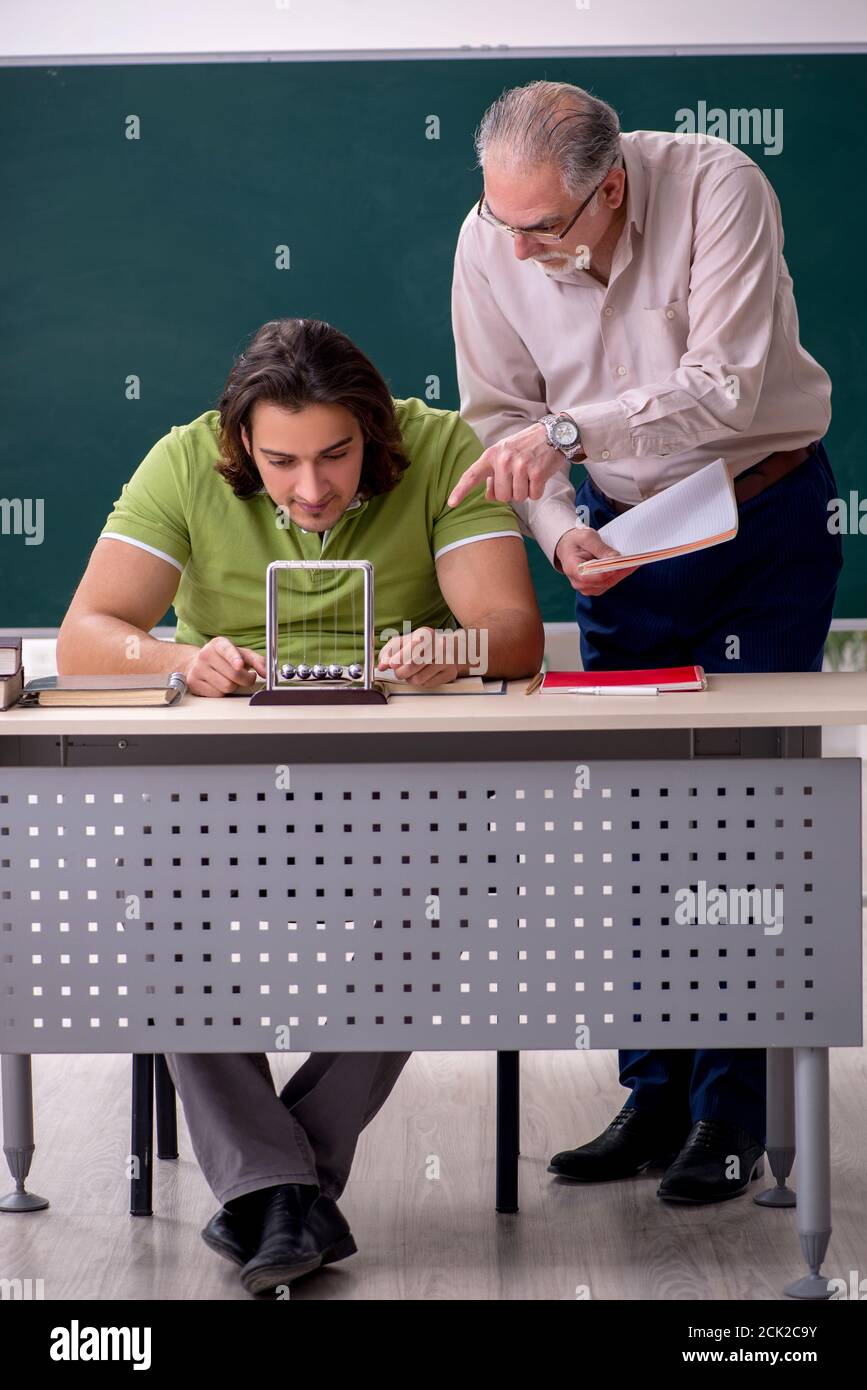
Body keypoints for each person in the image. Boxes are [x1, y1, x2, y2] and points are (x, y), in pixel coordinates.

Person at [57, 316, 544, 1292]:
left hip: (402, 788)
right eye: (280, 462)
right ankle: (291, 1190)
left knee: (453, 884)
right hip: (221, 784)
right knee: (151, 894)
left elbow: (514, 632)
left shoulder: (442, 446)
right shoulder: (184, 460)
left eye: (335, 455)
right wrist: (179, 659)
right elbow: (86, 636)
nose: (311, 488)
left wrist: (450, 651)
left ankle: (269, 1186)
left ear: (375, 431)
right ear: (241, 442)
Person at [450, 81, 842, 1203]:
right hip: (622, 539)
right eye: (498, 219)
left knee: (749, 823)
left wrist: (568, 430)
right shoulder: (490, 234)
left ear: (611, 190)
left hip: (759, 517)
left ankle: (733, 1109)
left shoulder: (720, 186)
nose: (514, 249)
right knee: (639, 827)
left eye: (539, 227)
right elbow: (499, 419)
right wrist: (560, 530)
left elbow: (724, 390)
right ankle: (655, 1091)